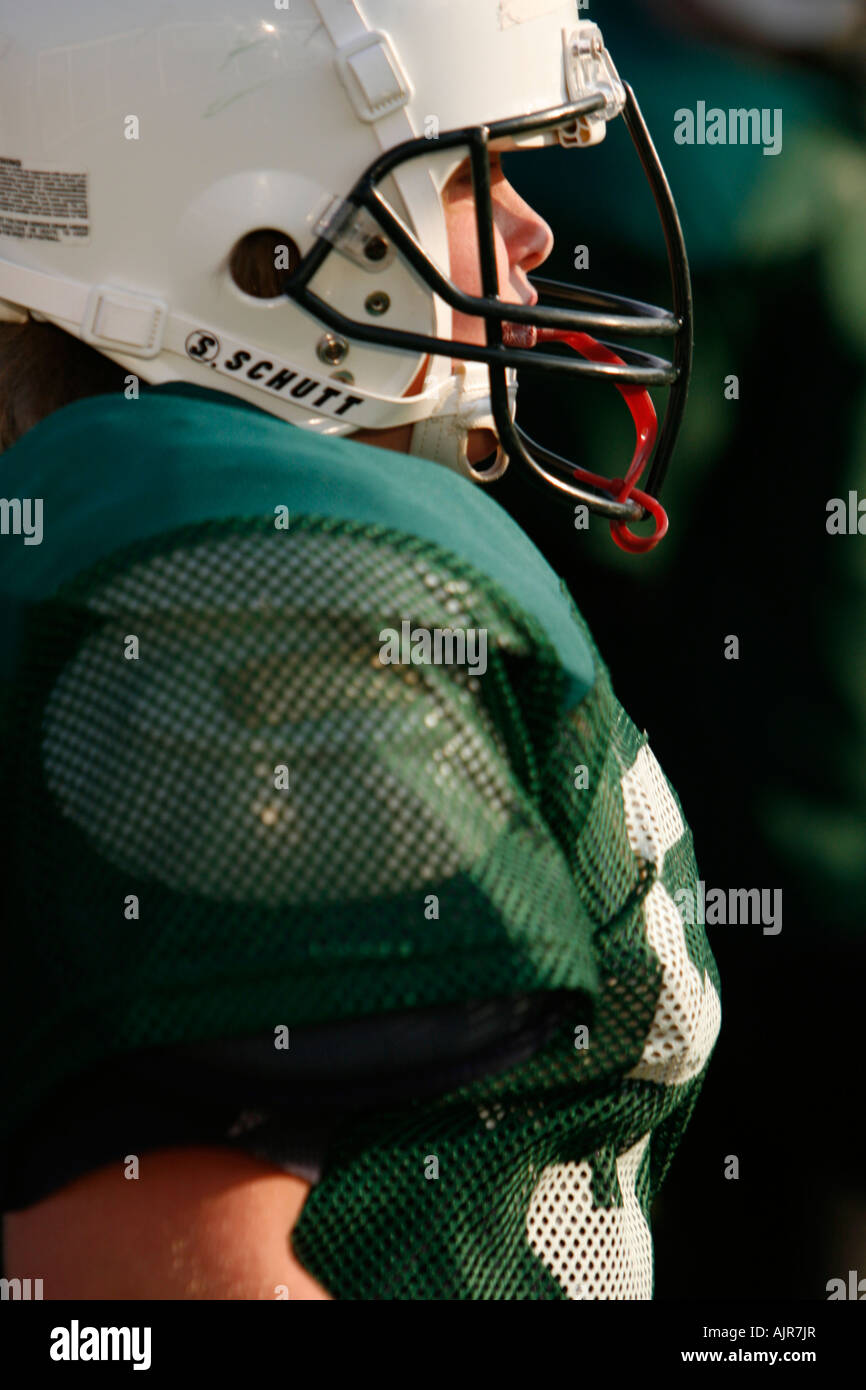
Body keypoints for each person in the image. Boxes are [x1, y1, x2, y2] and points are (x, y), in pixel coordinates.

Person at [0, 0, 719, 1300]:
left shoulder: (140, 511)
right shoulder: (236, 556)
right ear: (254, 245)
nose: (532, 233)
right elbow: (159, 1277)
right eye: (470, 168)